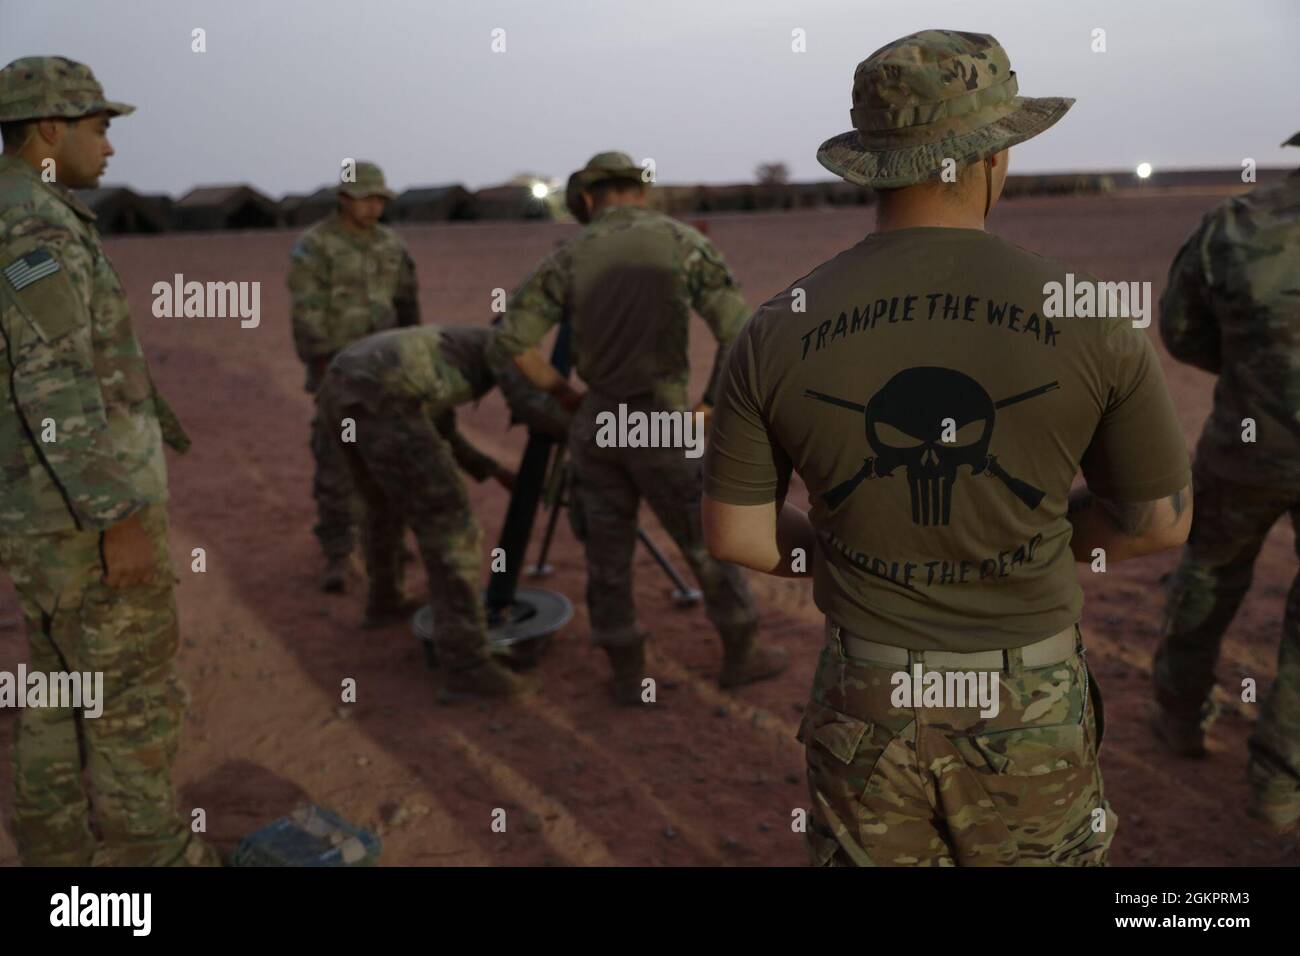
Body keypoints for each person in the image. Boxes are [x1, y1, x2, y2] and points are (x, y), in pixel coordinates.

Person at [701, 30, 1192, 865]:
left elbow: (738, 536)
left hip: (867, 701)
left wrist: (855, 557)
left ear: (870, 165)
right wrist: (1026, 548)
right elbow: (1154, 523)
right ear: (994, 156)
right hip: (1028, 705)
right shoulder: (1090, 312)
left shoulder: (774, 325)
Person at [0, 56, 219, 866]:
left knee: (58, 691)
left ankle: (58, 863)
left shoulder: (21, 209)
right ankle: (152, 865)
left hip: (34, 512)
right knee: (130, 698)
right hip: (75, 515)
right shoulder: (35, 225)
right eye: (99, 127)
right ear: (49, 128)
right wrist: (116, 517)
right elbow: (54, 380)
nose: (110, 148)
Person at [489, 151, 786, 704]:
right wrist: (711, 405)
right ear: (641, 193)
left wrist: (564, 394)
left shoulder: (569, 253)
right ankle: (741, 654)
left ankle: (626, 671)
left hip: (598, 423)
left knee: (606, 554)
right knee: (704, 543)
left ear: (586, 199)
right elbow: (740, 328)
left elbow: (507, 338)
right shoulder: (680, 241)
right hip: (663, 422)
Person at [1152, 131, 1300, 833]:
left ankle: (1180, 715)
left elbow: (1181, 333)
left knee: (1209, 575)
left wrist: (1254, 378)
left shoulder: (1236, 222)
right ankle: (1278, 787)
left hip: (1245, 446)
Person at [316, 322, 568, 700]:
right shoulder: (509, 347)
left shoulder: (455, 345)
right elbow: (534, 408)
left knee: (382, 504)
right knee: (451, 527)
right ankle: (467, 665)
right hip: (385, 397)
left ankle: (384, 600)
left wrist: (493, 470)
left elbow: (440, 427)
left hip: (342, 392)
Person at [288, 161, 419, 592]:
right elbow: (306, 311)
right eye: (367, 198)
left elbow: (407, 305)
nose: (374, 207)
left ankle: (391, 543)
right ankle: (338, 554)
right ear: (343, 198)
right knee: (337, 463)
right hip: (339, 373)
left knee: (392, 461)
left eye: (380, 199)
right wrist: (323, 364)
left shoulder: (392, 246)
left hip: (385, 374)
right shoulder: (315, 246)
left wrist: (414, 357)